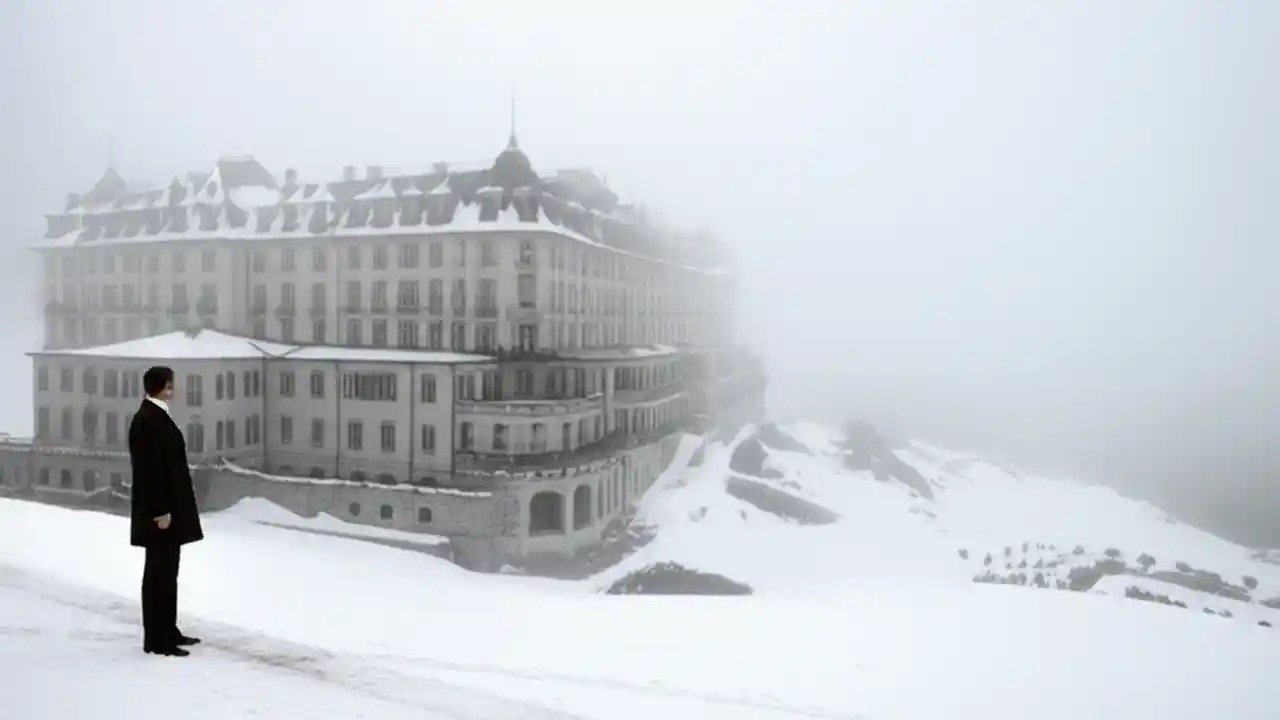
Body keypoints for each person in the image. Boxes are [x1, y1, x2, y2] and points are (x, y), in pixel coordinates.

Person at [129, 365, 204, 657]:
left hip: (168, 511)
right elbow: (149, 471)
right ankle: (156, 639)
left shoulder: (156, 415)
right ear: (160, 387)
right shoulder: (146, 419)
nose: (172, 390)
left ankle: (168, 630)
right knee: (158, 574)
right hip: (160, 513)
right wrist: (161, 510)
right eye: (169, 385)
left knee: (168, 572)